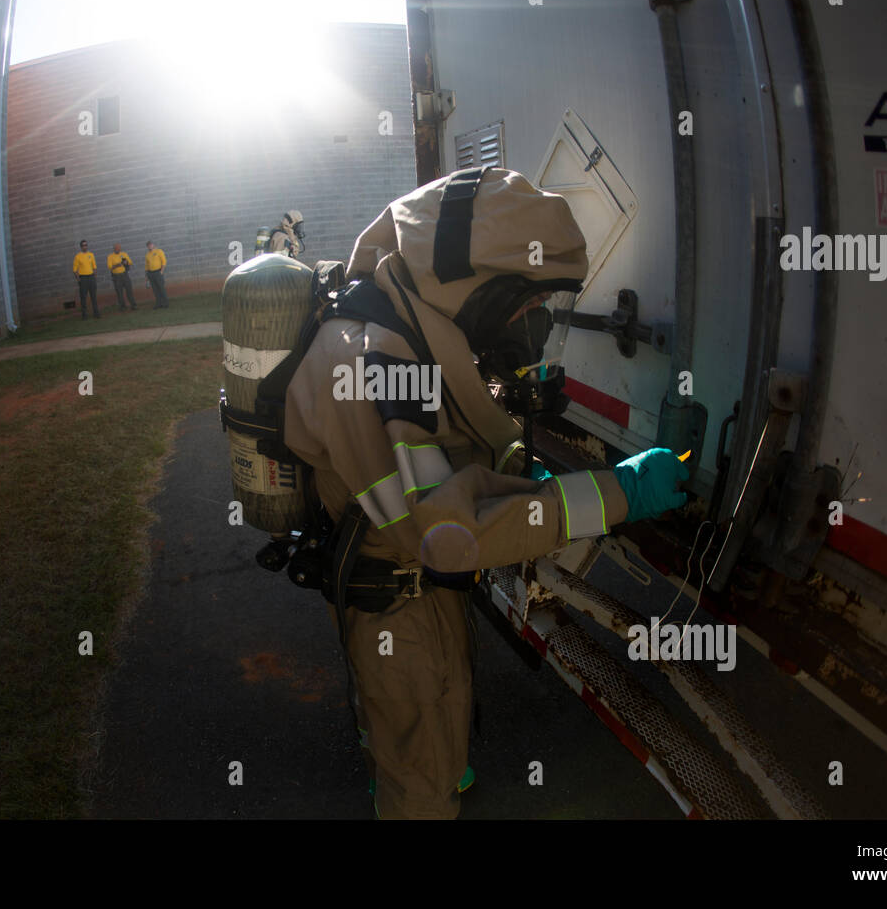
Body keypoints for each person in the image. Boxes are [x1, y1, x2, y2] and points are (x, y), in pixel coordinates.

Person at [282, 168, 689, 819]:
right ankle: (416, 785)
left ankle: (399, 753)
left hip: (375, 573)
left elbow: (447, 453)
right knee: (422, 772)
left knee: (401, 720)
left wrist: (517, 474)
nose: (534, 330)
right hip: (397, 595)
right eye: (528, 309)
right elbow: (448, 537)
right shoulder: (377, 361)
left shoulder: (400, 316)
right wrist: (617, 494)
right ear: (477, 291)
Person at [73, 239, 100, 319]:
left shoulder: (91, 255)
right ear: (81, 247)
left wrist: (94, 277)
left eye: (86, 245)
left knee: (93, 297)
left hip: (91, 277)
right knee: (83, 298)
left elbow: (94, 267)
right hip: (83, 278)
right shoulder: (78, 256)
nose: (85, 247)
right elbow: (75, 270)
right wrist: (78, 280)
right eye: (83, 245)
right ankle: (84, 315)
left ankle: (96, 313)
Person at [107, 243, 137, 311]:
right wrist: (117, 265)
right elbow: (110, 267)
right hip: (116, 276)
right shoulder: (110, 256)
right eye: (116, 248)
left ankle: (133, 305)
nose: (118, 249)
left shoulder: (124, 254)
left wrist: (126, 263)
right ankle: (123, 306)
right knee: (119, 292)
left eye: (119, 248)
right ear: (114, 249)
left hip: (125, 274)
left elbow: (130, 262)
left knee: (129, 290)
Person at [144, 240, 170, 309]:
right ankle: (159, 303)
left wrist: (161, 271)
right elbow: (146, 265)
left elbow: (164, 261)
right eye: (148, 245)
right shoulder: (147, 255)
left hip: (158, 272)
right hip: (150, 274)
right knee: (155, 290)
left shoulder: (159, 251)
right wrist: (146, 276)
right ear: (147, 247)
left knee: (161, 288)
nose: (150, 246)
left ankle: (165, 303)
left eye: (151, 244)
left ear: (153, 245)